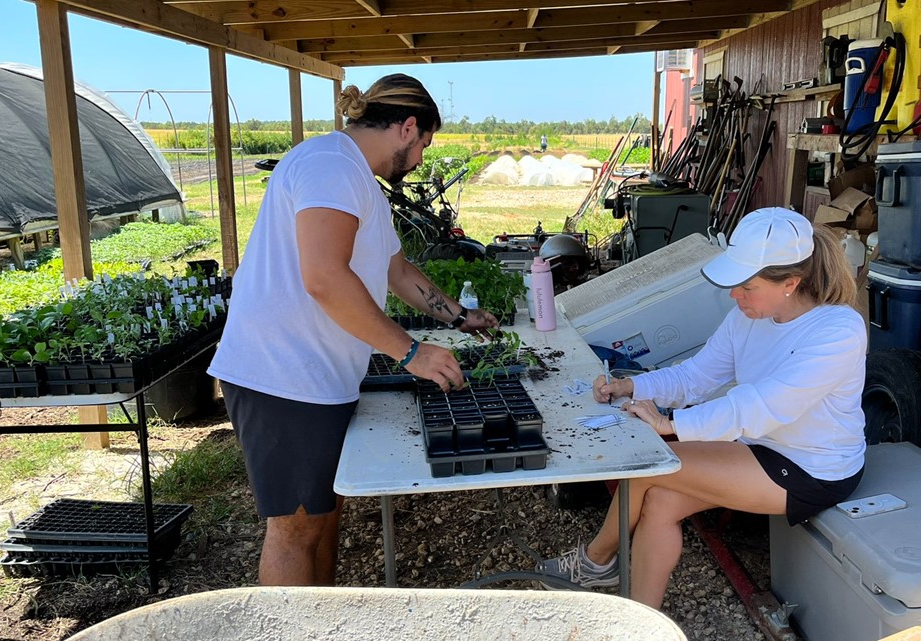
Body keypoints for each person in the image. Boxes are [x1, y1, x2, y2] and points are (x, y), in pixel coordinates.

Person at [208, 73, 499, 587]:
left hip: (316, 376)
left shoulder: (357, 178)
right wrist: (411, 353)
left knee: (324, 515)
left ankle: (324, 622)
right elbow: (324, 277)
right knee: (295, 531)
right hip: (282, 374)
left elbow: (398, 271)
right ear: (407, 127)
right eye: (425, 144)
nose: (422, 160)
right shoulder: (330, 165)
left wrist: (458, 316)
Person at [537, 207, 867, 608]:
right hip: (760, 446)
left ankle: (596, 560)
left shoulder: (838, 330)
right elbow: (695, 375)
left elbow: (759, 407)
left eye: (746, 286)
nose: (734, 295)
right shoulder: (748, 316)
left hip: (813, 468)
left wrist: (669, 422)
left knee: (650, 468)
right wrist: (631, 385)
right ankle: (642, 625)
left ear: (791, 283)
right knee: (659, 500)